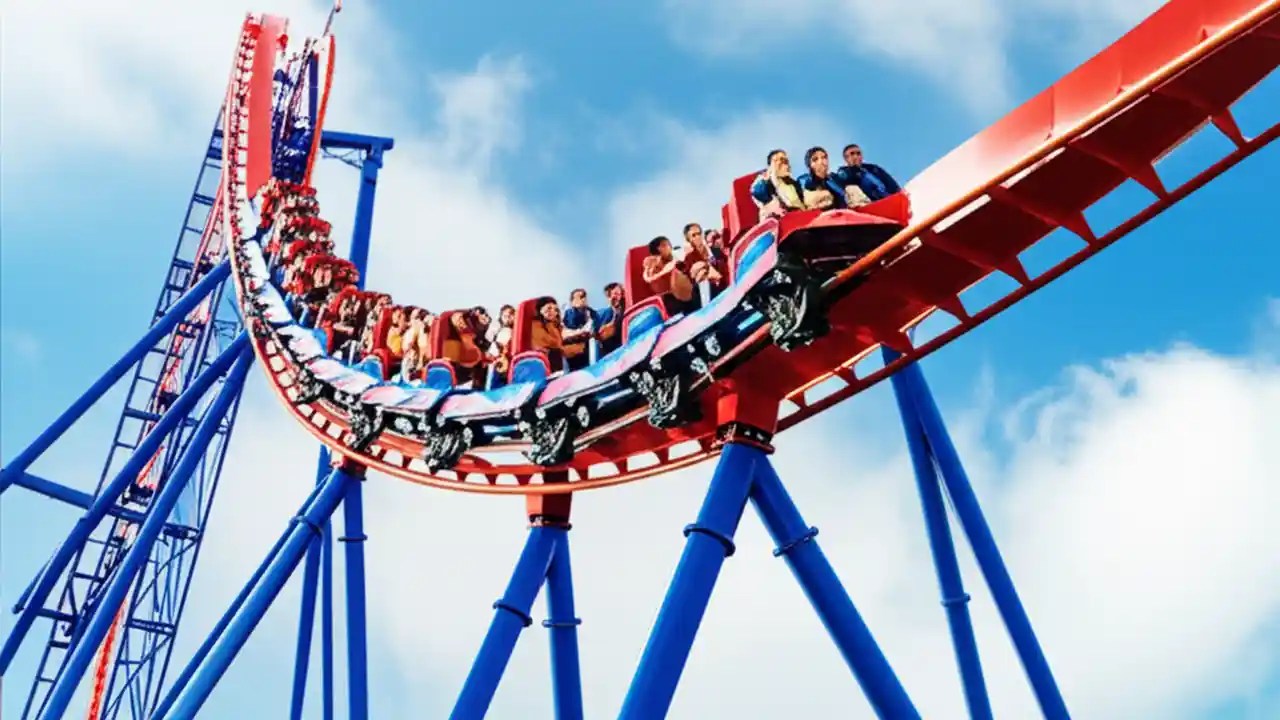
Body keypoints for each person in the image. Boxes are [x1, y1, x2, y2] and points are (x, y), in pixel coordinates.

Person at [642, 236, 699, 316]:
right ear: (661, 248)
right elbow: (649, 279)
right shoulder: (652, 267)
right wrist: (650, 269)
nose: (670, 247)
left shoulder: (676, 255)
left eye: (669, 244)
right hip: (676, 302)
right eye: (667, 245)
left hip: (690, 294)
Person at [750, 149, 806, 219]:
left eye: (786, 161)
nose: (783, 163)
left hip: (800, 217)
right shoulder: (763, 181)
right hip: (778, 220)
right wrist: (772, 175)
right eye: (778, 160)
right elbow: (758, 192)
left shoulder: (794, 184)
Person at [835, 143, 900, 203]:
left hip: (886, 199)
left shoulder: (873, 168)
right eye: (852, 154)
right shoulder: (843, 173)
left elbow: (890, 182)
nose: (856, 156)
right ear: (846, 158)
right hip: (863, 204)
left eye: (858, 153)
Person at [562, 288, 597, 371]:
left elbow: (593, 329)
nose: (583, 299)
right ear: (572, 302)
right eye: (580, 297)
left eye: (584, 297)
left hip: (588, 352)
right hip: (571, 353)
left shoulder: (592, 313)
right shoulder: (567, 313)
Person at [530, 296, 566, 373]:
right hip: (546, 356)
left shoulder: (554, 324)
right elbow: (552, 343)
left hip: (555, 353)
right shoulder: (536, 324)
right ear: (540, 309)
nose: (552, 311)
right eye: (549, 308)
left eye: (555, 310)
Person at [595, 282, 626, 354]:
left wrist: (615, 327)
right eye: (609, 295)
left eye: (616, 293)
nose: (613, 297)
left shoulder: (628, 304)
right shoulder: (605, 315)